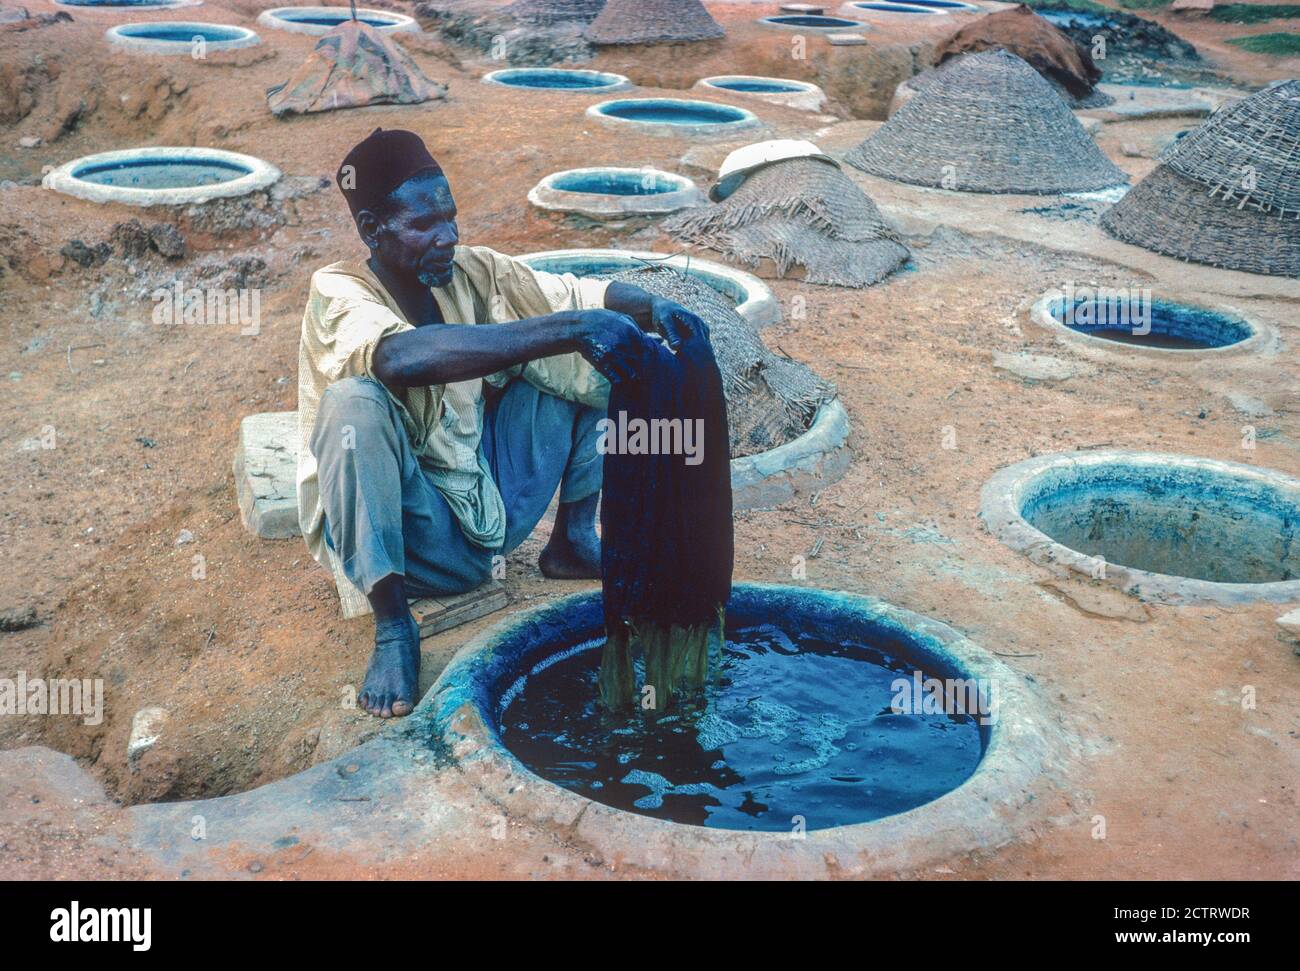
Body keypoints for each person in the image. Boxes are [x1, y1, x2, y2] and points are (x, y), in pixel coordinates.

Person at [296, 127, 699, 718]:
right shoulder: (337, 290)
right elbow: (398, 358)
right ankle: (393, 628)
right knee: (351, 405)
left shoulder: (473, 272)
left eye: (451, 218)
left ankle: (571, 543)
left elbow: (569, 289)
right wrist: (567, 328)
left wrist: (648, 305)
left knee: (599, 353)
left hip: (486, 510)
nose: (448, 238)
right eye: (424, 227)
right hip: (415, 543)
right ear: (372, 232)